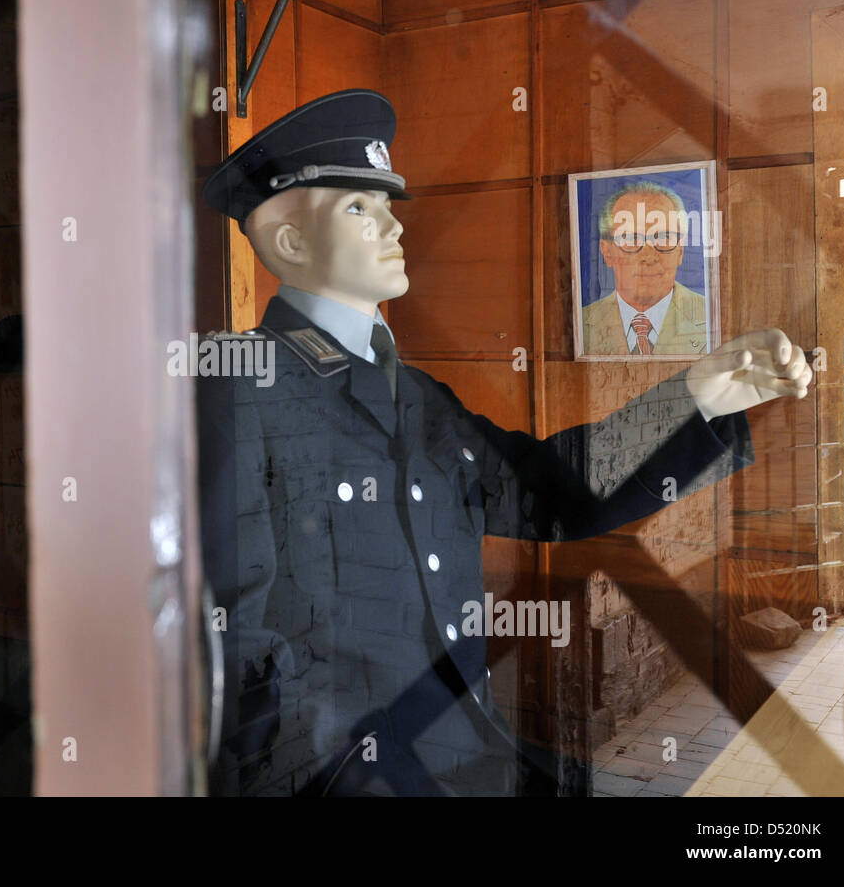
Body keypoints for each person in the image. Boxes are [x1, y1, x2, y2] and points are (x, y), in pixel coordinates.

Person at [195, 88, 812, 796]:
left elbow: (550, 492)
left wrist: (699, 397)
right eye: (359, 208)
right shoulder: (237, 394)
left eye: (389, 204)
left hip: (471, 758)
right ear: (290, 241)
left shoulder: (418, 398)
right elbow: (232, 652)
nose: (393, 226)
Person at [581, 181, 708, 356]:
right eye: (631, 238)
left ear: (680, 250)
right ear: (607, 251)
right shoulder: (580, 325)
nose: (649, 256)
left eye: (663, 236)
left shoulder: (713, 319)